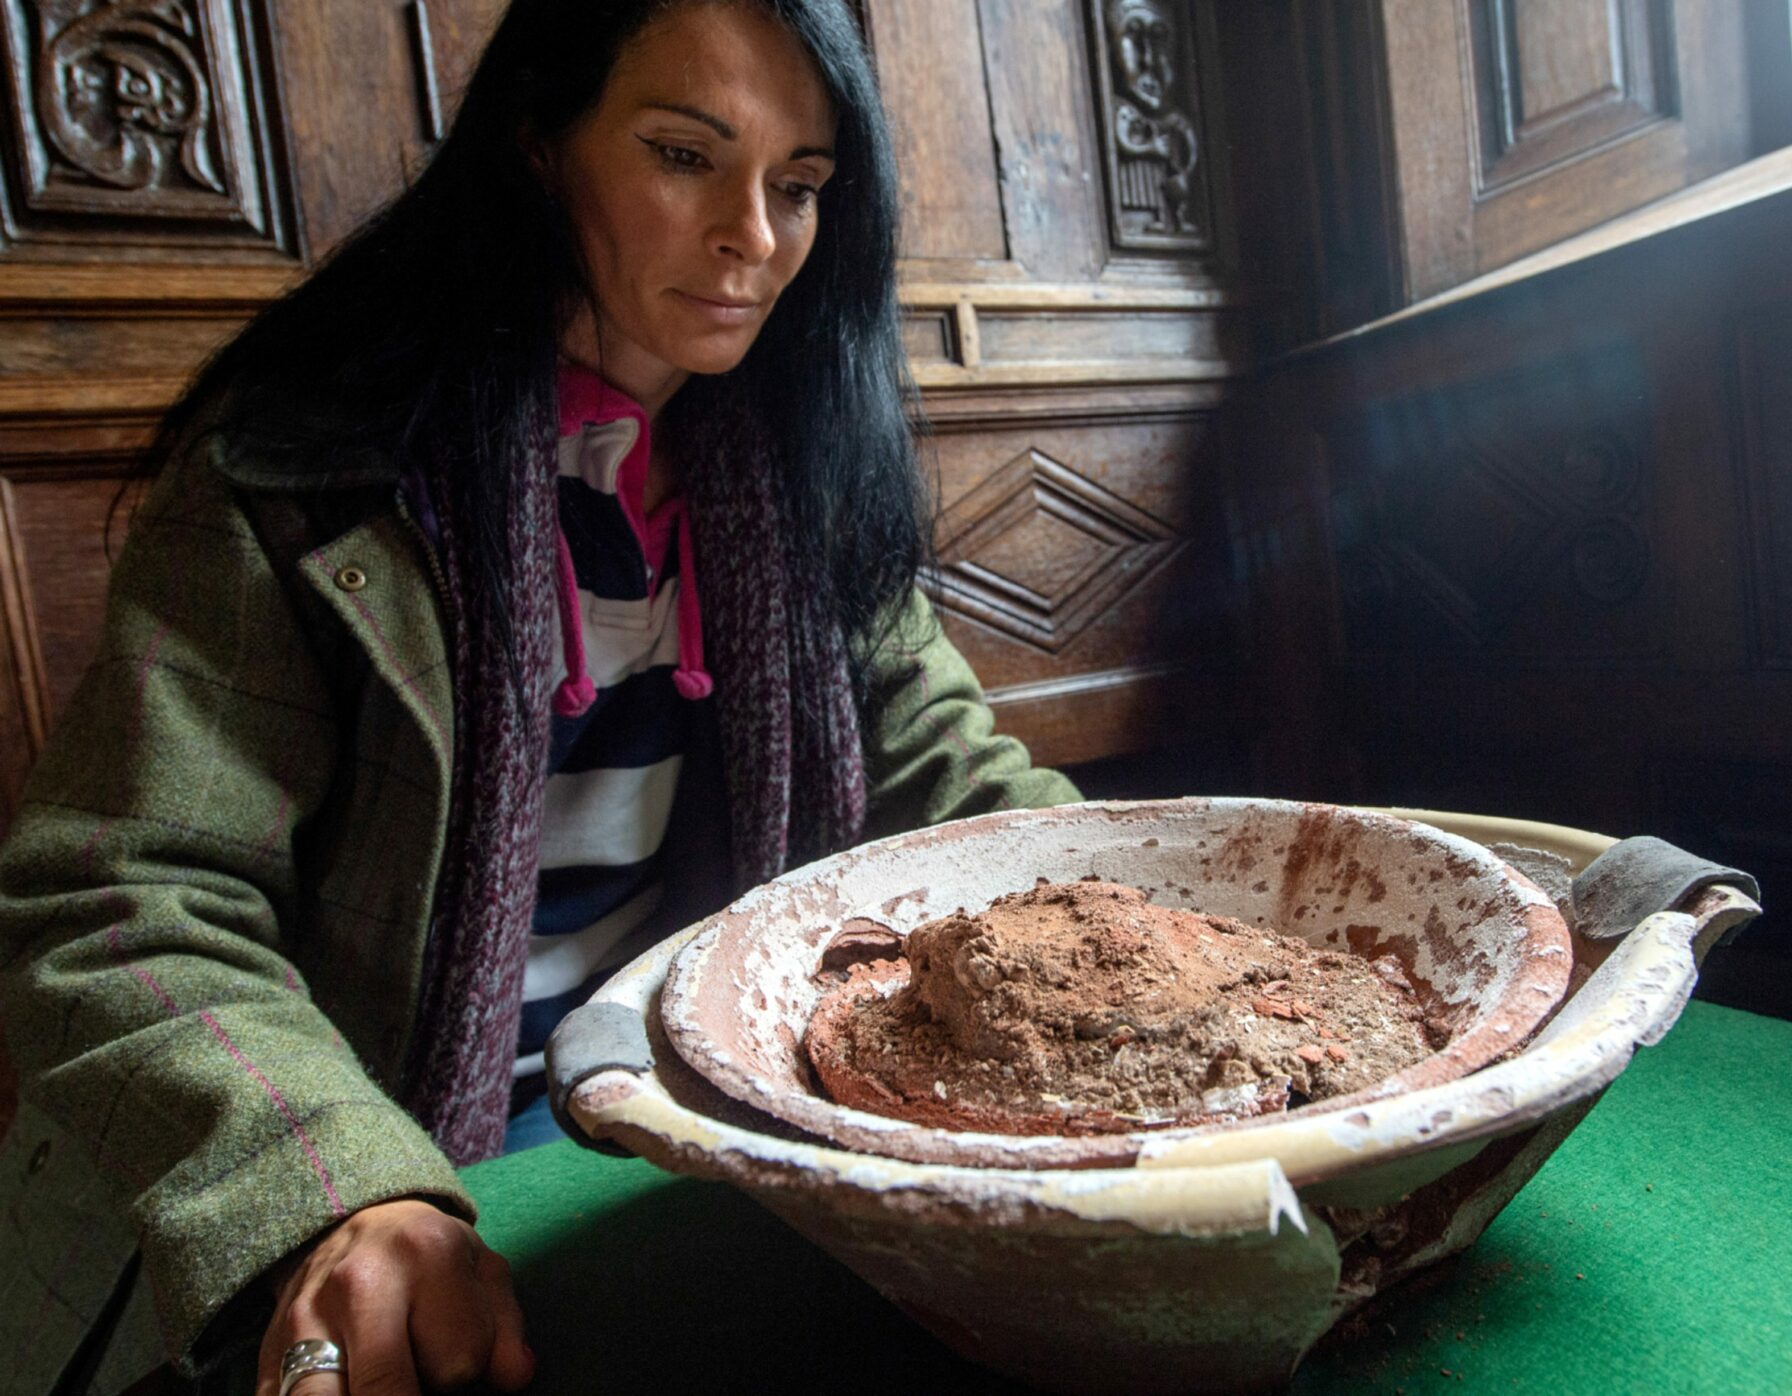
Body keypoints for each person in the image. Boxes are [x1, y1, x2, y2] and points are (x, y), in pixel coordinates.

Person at [0, 2, 1080, 1393]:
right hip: (349, 1170)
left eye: (801, 185)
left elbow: (953, 779)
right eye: (685, 156)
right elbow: (121, 896)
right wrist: (332, 1186)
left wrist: (1142, 925)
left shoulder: (801, 472)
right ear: (537, 144)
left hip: (664, 1128)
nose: (754, 235)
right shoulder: (311, 463)